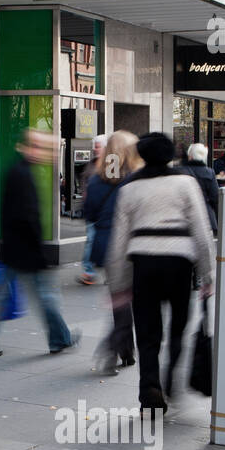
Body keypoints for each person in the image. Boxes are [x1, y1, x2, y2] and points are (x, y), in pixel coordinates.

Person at [107, 133, 215, 414]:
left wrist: (118, 284)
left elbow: (118, 241)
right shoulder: (186, 183)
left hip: (143, 264)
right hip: (178, 263)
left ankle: (150, 389)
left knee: (147, 332)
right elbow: (202, 233)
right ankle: (170, 378)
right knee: (179, 325)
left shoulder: (129, 189)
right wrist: (208, 275)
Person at [0, 128, 77, 359]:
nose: (40, 152)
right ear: (25, 147)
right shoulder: (22, 173)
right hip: (26, 250)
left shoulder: (18, 170)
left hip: (14, 248)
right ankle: (60, 338)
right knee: (45, 297)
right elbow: (27, 216)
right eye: (37, 146)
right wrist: (41, 252)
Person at [84, 130, 141, 373]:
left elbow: (88, 213)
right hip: (130, 244)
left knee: (121, 299)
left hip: (106, 246)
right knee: (128, 300)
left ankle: (126, 350)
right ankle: (111, 348)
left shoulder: (97, 180)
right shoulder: (136, 179)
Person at [78, 134, 108, 285]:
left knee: (107, 241)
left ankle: (108, 272)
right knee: (90, 240)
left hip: (105, 210)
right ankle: (88, 271)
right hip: (92, 210)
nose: (95, 149)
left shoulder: (111, 164)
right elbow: (84, 180)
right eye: (95, 146)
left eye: (98, 146)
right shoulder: (91, 164)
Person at [176, 142, 220, 235]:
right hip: (205, 215)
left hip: (184, 216)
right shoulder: (209, 172)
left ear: (190, 156)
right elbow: (215, 197)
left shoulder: (179, 171)